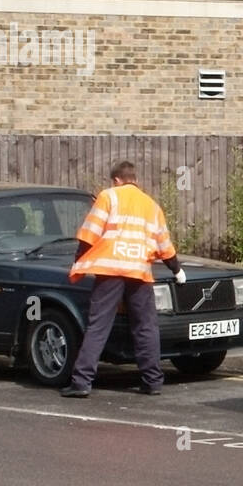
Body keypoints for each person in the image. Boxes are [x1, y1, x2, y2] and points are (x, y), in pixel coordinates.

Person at [60, 161, 185, 398]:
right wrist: (177, 270)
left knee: (98, 326)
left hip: (110, 271)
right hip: (139, 272)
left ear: (116, 180)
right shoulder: (152, 206)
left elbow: (89, 234)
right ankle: (152, 381)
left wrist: (78, 262)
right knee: (146, 327)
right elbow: (165, 246)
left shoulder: (109, 197)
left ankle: (82, 382)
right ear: (134, 180)